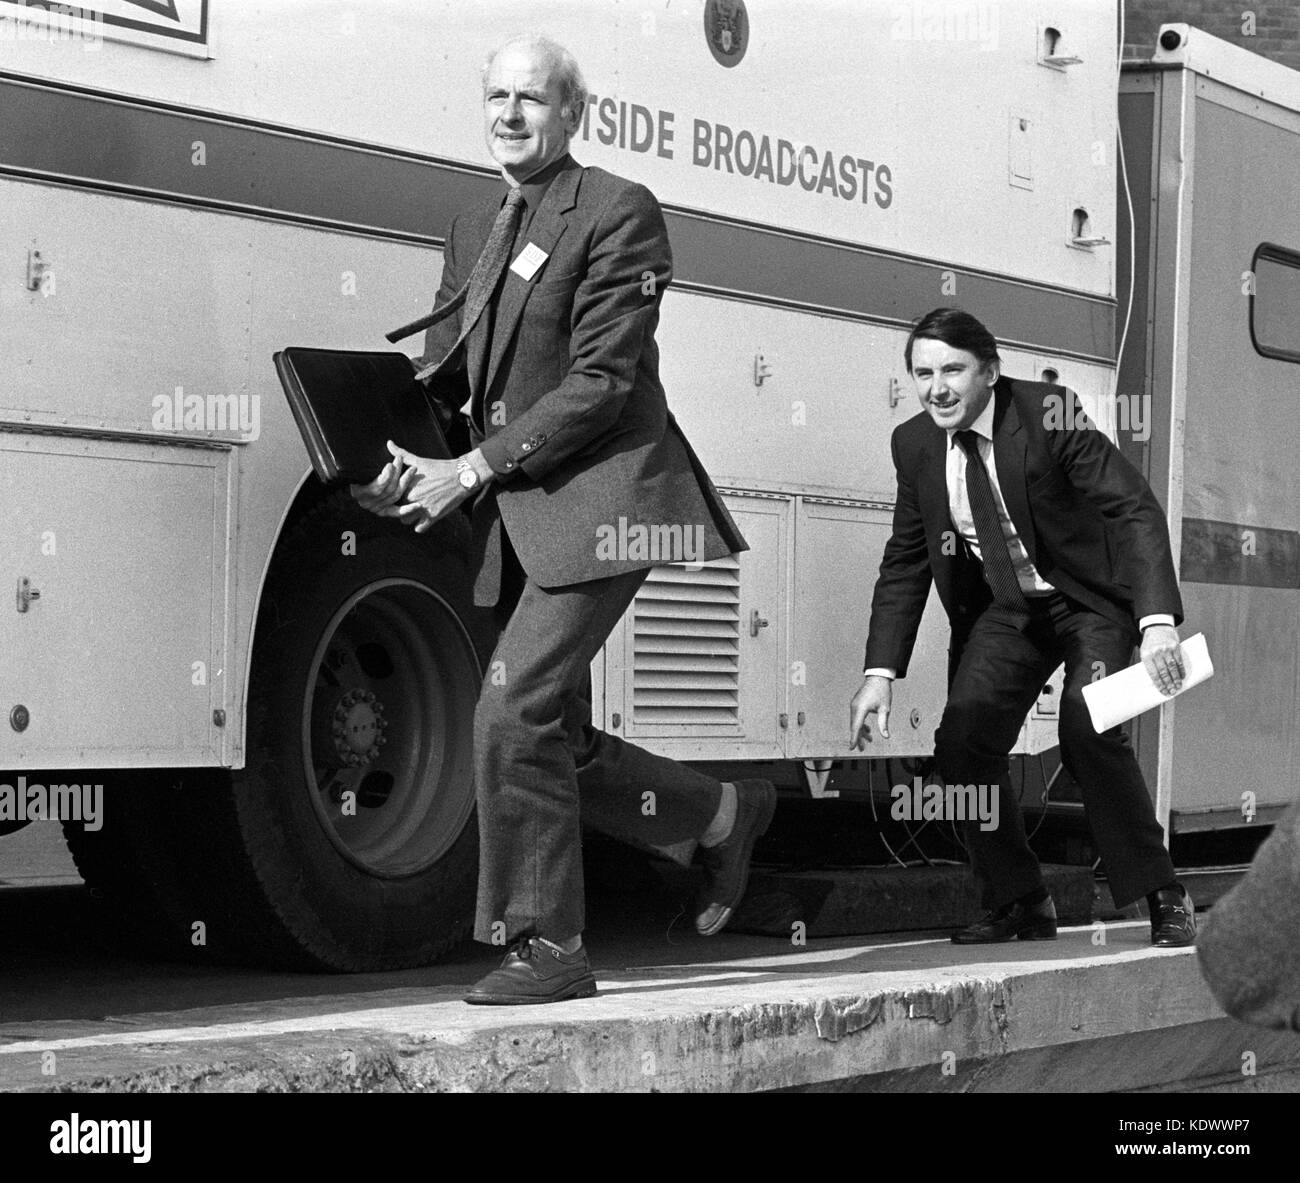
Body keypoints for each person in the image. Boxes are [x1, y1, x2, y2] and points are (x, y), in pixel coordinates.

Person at [351, 35, 775, 1004]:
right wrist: (398, 465)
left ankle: (549, 945)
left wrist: (473, 467)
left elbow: (600, 381)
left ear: (573, 113)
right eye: (496, 96)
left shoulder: (618, 212)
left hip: (609, 498)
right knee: (552, 731)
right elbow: (451, 377)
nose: (510, 115)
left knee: (509, 709)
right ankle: (716, 817)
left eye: (532, 99)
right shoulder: (474, 225)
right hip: (524, 508)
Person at [849, 308, 1195, 947]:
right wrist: (879, 673)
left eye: (953, 370)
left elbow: (1132, 508)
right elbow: (905, 559)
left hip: (1089, 600)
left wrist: (1155, 624)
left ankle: (1163, 893)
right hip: (1010, 610)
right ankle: (1020, 901)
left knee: (1086, 725)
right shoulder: (914, 443)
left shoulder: (1047, 413)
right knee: (963, 744)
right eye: (923, 373)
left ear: (990, 371)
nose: (937, 388)